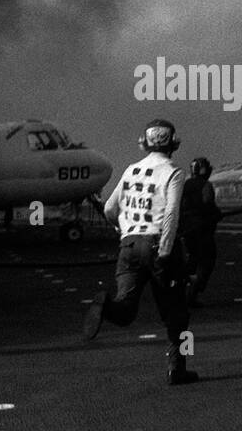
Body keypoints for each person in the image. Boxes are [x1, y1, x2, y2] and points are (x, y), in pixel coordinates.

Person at [84, 118, 197, 386]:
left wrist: (125, 230)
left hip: (129, 245)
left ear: (143, 143)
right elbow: (171, 212)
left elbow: (110, 209)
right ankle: (177, 368)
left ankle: (106, 305)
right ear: (174, 144)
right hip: (158, 243)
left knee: (125, 310)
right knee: (177, 314)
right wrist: (167, 249)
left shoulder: (131, 170)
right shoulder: (173, 172)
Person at [179, 157, 222, 307]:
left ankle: (183, 290)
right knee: (207, 260)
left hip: (187, 229)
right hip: (202, 228)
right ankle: (194, 291)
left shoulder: (185, 185)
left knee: (192, 258)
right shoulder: (206, 185)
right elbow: (207, 204)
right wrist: (217, 213)